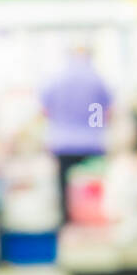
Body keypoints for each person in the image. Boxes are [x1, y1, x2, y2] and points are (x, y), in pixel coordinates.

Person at [40, 45, 113, 226]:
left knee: (66, 192)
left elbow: (45, 111)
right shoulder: (97, 79)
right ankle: (92, 227)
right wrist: (93, 128)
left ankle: (68, 225)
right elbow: (105, 111)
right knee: (92, 192)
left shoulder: (56, 79)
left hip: (62, 143)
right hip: (92, 143)